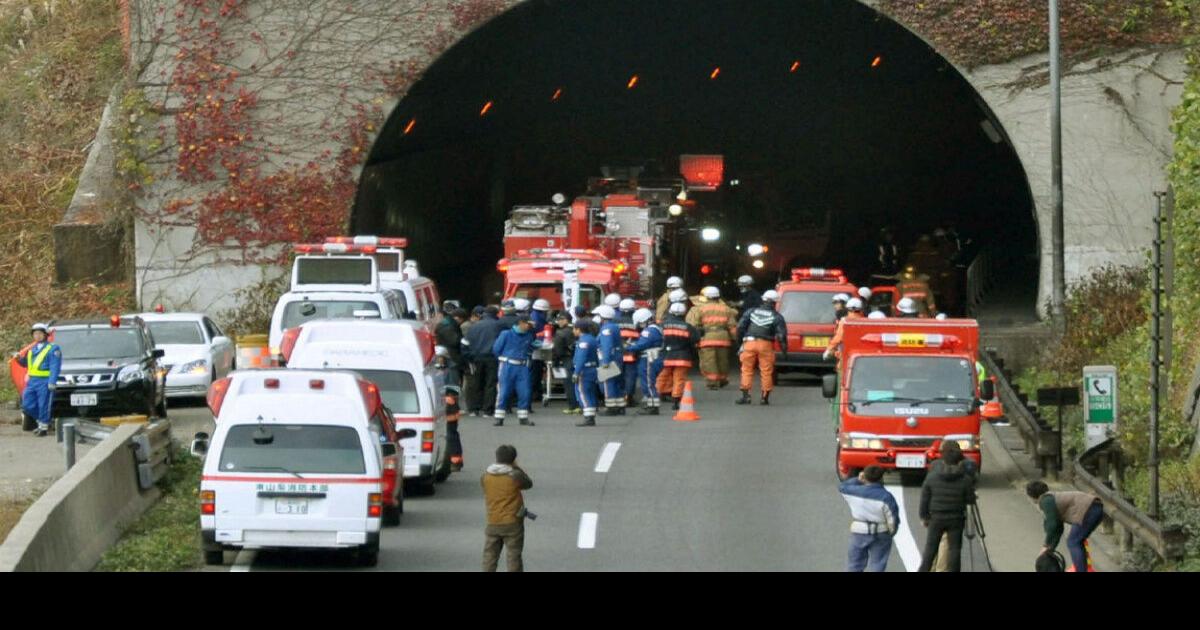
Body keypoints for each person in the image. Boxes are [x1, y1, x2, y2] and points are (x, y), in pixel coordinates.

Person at [917, 441, 977, 572]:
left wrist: (924, 516)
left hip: (937, 516)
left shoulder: (932, 477)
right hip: (956, 517)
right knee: (954, 549)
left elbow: (924, 499)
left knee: (930, 549)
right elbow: (970, 500)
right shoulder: (965, 479)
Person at [1026, 481, 1105, 573]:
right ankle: (1082, 569)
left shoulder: (1045, 501)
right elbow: (1058, 528)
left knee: (1073, 542)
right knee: (1077, 541)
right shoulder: (1051, 497)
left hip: (1088, 510)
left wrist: (1046, 545)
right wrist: (1050, 548)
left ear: (1033, 496)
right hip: (1096, 507)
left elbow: (1053, 524)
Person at [481, 445, 533, 572]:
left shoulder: (485, 476)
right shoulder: (515, 475)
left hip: (493, 521)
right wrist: (515, 467)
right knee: (513, 556)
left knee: (490, 556)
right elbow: (528, 484)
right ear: (513, 459)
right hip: (512, 522)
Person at [839, 465, 900, 572]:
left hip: (859, 531)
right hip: (881, 532)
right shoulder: (886, 497)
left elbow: (843, 486)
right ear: (881, 478)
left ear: (864, 477)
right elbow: (892, 519)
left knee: (855, 564)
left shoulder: (853, 492)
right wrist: (891, 532)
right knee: (878, 564)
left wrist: (858, 479)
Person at [736, 290, 788, 405]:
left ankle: (746, 396)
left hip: (749, 343)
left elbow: (740, 327)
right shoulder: (777, 317)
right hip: (766, 345)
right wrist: (784, 351)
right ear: (775, 303)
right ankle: (764, 398)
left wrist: (740, 343)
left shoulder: (751, 311)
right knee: (766, 371)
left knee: (746, 369)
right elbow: (781, 336)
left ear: (763, 299)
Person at [492, 315, 540, 427]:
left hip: (522, 366)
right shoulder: (506, 334)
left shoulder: (528, 335)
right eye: (528, 324)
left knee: (525, 392)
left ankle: (523, 417)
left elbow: (529, 348)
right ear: (521, 323)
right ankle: (499, 417)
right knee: (503, 392)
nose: (530, 326)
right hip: (507, 365)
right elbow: (496, 349)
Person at [687, 286, 739, 390]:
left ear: (706, 297)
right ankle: (722, 379)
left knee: (709, 361)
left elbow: (695, 325)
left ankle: (713, 382)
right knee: (722, 360)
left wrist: (694, 339)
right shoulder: (726, 309)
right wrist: (734, 338)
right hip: (723, 338)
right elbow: (732, 326)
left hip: (707, 338)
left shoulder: (700, 309)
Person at [15, 323, 61, 437]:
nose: (38, 336)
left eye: (40, 333)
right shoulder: (32, 350)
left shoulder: (53, 348)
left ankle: (43, 427)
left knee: (43, 404)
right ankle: (43, 421)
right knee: (27, 405)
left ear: (45, 335)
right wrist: (18, 359)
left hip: (44, 381)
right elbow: (27, 364)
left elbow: (55, 366)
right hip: (32, 382)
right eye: (35, 334)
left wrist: (52, 381)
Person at [657, 301, 700, 410]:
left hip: (665, 356)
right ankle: (676, 401)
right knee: (679, 379)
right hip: (682, 357)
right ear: (684, 313)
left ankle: (654, 396)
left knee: (662, 376)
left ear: (670, 312)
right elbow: (695, 340)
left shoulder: (662, 325)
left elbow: (656, 339)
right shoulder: (688, 327)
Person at [463, 306, 502, 417]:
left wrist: (469, 357)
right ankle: (488, 410)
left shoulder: (474, 326)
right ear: (496, 314)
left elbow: (465, 343)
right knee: (490, 384)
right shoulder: (498, 326)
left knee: (475, 383)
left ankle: (474, 409)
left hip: (476, 358)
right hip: (492, 358)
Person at [627, 308, 664, 415]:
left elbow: (642, 345)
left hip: (649, 359)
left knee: (648, 383)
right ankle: (651, 404)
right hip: (652, 358)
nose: (638, 326)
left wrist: (628, 347)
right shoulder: (655, 329)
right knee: (649, 382)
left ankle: (652, 406)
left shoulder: (649, 331)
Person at [434, 346, 464, 472]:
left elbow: (454, 388)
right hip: (440, 407)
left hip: (450, 408)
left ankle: (455, 461)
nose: (438, 360)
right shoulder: (434, 370)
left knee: (451, 435)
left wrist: (446, 396)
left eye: (440, 358)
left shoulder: (450, 370)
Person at [595, 305, 625, 416]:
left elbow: (606, 346)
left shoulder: (606, 329)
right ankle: (620, 406)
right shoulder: (614, 326)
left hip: (608, 358)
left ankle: (611, 407)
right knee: (616, 383)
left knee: (607, 383)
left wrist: (605, 362)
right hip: (616, 357)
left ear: (603, 316)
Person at [573, 320, 601, 427]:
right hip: (593, 369)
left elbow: (581, 358)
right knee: (590, 393)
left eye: (574, 329)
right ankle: (591, 415)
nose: (573, 331)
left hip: (584, 370)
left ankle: (588, 417)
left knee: (583, 393)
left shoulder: (583, 341)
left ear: (578, 330)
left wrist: (576, 372)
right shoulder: (593, 339)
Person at [551, 311, 580, 414]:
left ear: (566, 320)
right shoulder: (577, 330)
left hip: (566, 360)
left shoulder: (560, 333)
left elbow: (557, 351)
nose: (558, 322)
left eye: (560, 320)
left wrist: (555, 363)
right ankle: (582, 404)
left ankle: (573, 406)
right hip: (578, 359)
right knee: (579, 384)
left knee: (569, 384)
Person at [824, 297, 865, 363]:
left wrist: (829, 349)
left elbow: (838, 338)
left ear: (847, 308)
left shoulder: (844, 322)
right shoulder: (865, 322)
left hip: (846, 355)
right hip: (861, 356)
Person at [617, 298, 640, 407]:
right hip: (631, 355)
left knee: (618, 376)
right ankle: (628, 398)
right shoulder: (636, 322)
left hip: (617, 354)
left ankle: (619, 396)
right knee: (630, 376)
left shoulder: (614, 322)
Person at [435, 303, 465, 384]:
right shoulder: (447, 325)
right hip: (450, 357)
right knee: (452, 380)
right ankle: (451, 394)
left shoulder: (448, 323)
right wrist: (462, 340)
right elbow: (454, 341)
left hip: (449, 356)